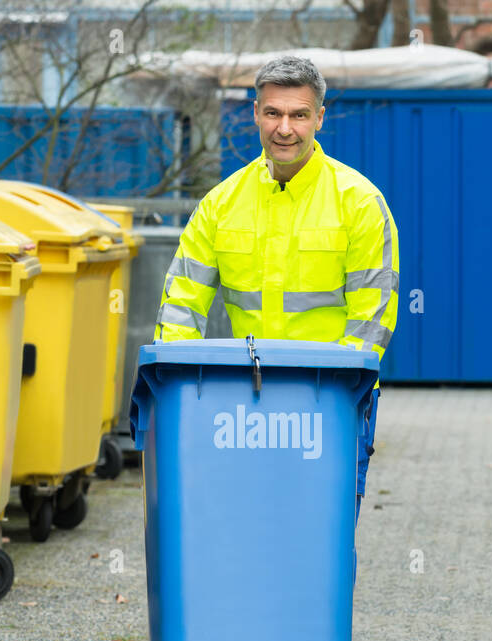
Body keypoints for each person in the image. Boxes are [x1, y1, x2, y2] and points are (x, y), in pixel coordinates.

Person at [155, 54, 399, 520]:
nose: (284, 128)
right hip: (239, 406)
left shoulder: (360, 204)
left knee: (317, 533)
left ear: (319, 118)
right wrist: (177, 390)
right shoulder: (221, 205)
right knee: (242, 529)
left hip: (330, 402)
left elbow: (373, 318)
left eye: (298, 115)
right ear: (255, 113)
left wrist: (333, 396)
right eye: (273, 113)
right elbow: (180, 307)